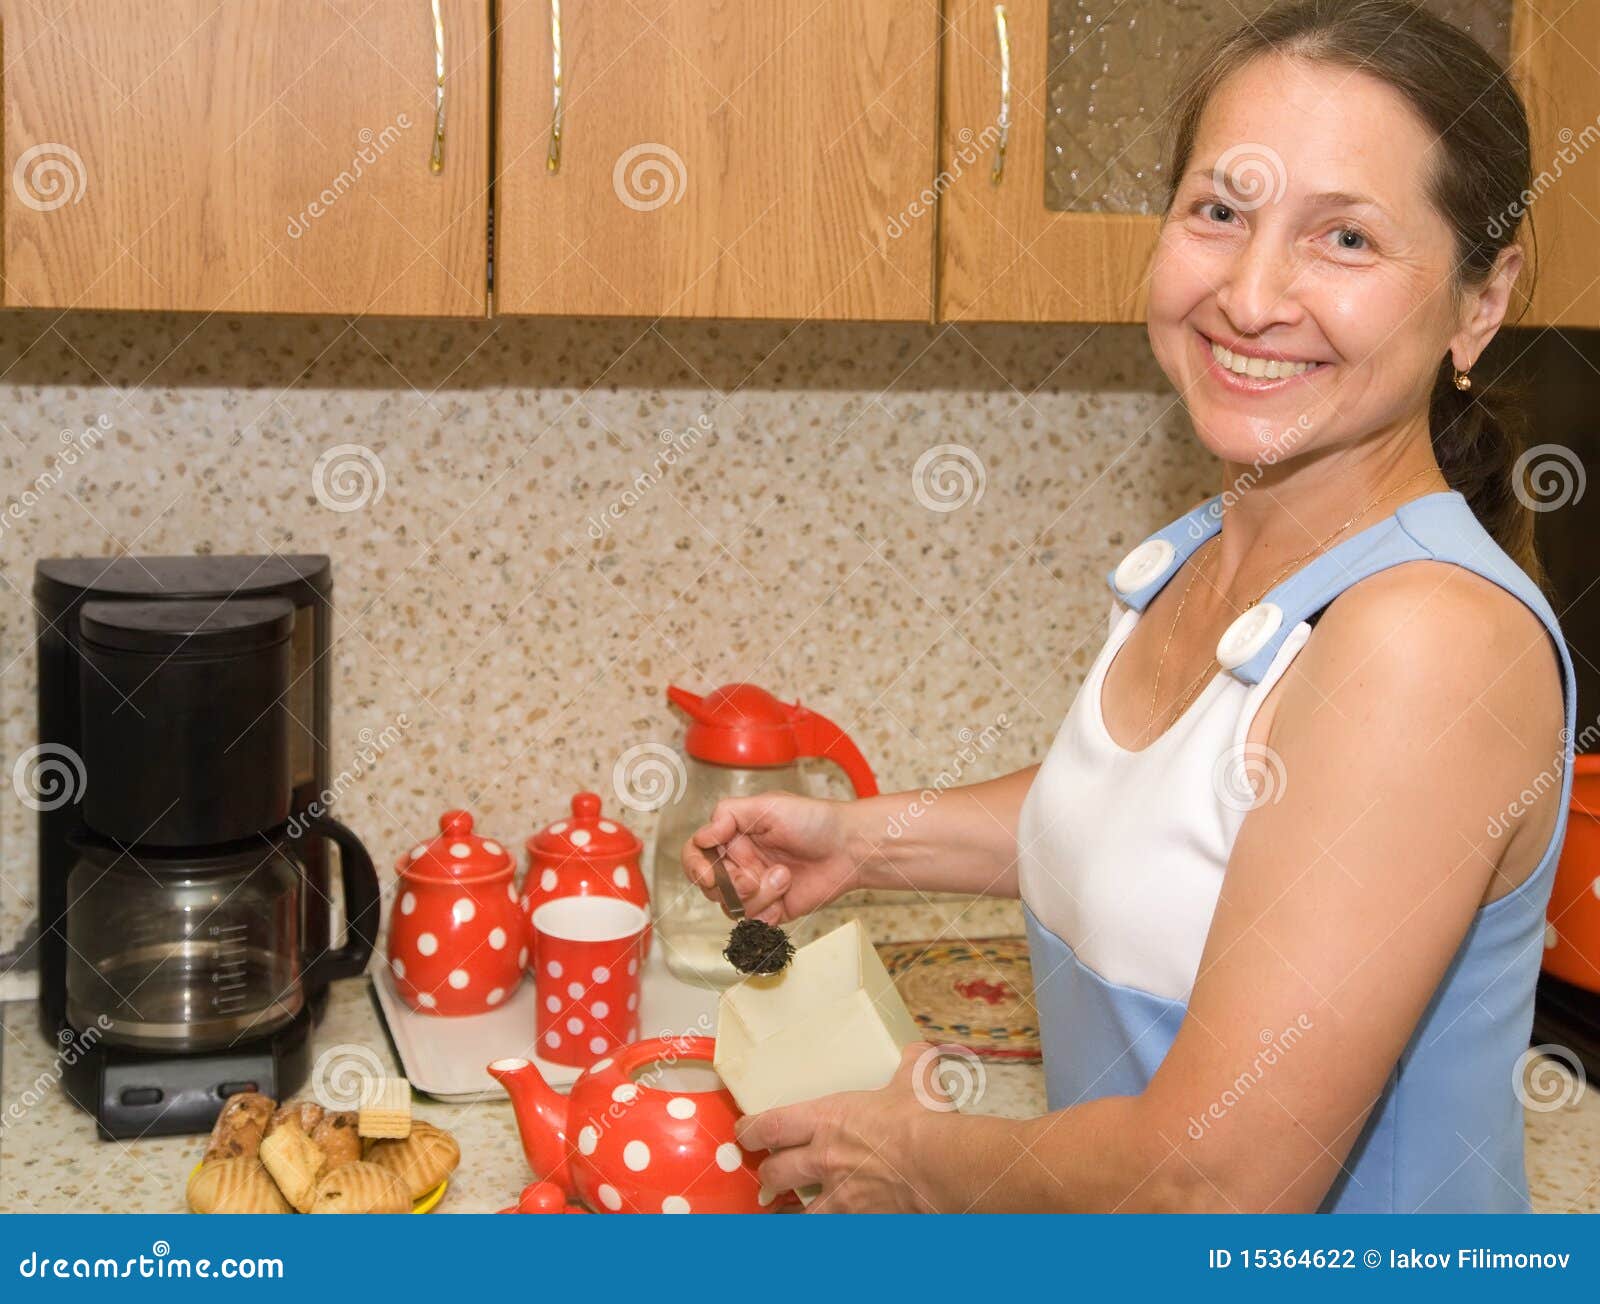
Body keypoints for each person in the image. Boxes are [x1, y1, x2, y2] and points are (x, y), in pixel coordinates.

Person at [681, 0, 1576, 1213]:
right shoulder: (1201, 553)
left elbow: (1213, 1179)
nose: (1252, 295)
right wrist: (868, 838)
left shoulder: (1423, 639)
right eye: (1219, 212)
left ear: (1480, 298)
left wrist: (907, 1153)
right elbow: (1164, 833)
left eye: (1346, 239)